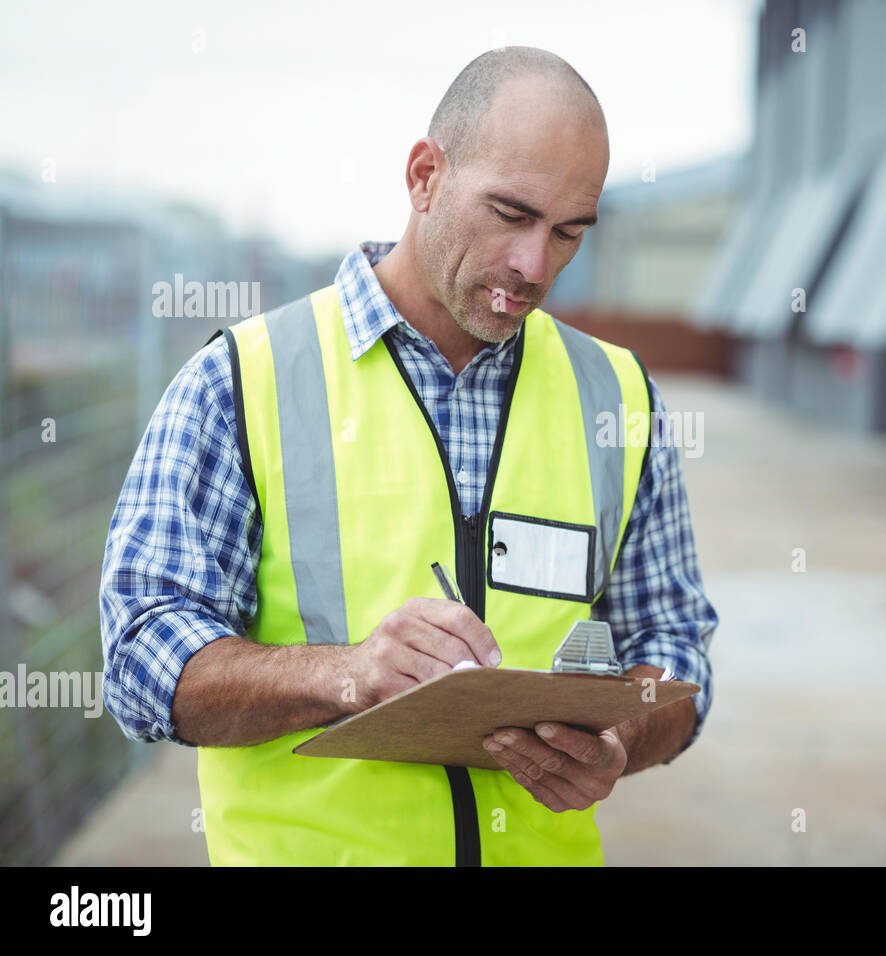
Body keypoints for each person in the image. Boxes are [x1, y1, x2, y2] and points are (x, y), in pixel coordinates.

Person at [98, 46, 717, 866]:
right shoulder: (242, 382)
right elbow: (141, 658)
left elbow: (676, 649)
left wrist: (622, 738)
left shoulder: (620, 400)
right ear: (424, 175)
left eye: (569, 232)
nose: (534, 266)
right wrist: (344, 675)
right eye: (510, 213)